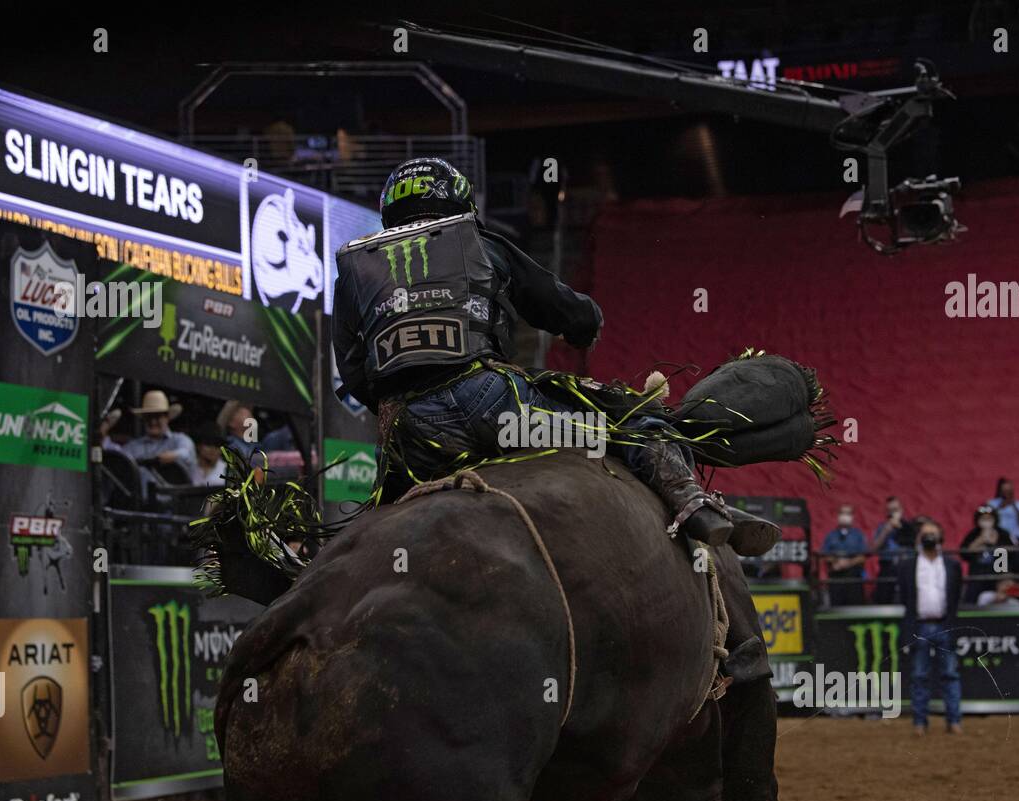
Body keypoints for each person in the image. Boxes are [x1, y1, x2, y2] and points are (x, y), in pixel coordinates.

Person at [332, 156, 776, 555]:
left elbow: (352, 371)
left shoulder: (354, 267)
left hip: (411, 437)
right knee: (629, 421)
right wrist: (587, 324)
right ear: (462, 207)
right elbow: (564, 309)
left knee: (373, 532)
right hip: (501, 412)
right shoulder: (481, 243)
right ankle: (693, 503)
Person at [896, 519, 964, 736]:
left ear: (941, 538)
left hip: (945, 624)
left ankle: (954, 721)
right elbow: (905, 598)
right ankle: (919, 722)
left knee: (950, 674)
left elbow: (955, 596)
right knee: (919, 676)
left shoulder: (952, 565)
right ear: (918, 538)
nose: (929, 538)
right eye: (925, 534)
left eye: (933, 533)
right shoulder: (908, 566)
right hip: (919, 626)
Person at [123, 390, 197, 480]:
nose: (153, 422)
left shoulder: (180, 440)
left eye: (157, 417)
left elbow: (186, 453)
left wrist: (173, 456)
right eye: (149, 417)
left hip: (172, 494)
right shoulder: (132, 447)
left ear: (167, 417)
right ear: (144, 419)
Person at [958, 504, 1019, 603]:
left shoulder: (1003, 533)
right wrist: (980, 540)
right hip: (977, 575)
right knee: (971, 598)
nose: (986, 521)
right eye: (983, 518)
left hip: (999, 574)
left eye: (989, 518)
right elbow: (964, 553)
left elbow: (1014, 552)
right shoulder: (973, 534)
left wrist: (995, 543)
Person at [821, 504, 868, 607]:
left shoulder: (858, 535)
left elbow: (863, 556)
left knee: (855, 607)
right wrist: (835, 562)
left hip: (854, 578)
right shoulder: (831, 535)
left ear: (852, 516)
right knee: (836, 608)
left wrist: (848, 563)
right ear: (838, 515)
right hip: (836, 577)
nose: (845, 516)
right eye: (842, 513)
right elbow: (824, 554)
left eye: (848, 513)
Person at [871, 495, 915, 603]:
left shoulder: (910, 527)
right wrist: (886, 530)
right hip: (887, 567)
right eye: (890, 510)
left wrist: (901, 527)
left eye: (895, 509)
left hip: (907, 567)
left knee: (908, 599)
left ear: (901, 510)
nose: (893, 513)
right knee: (884, 599)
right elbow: (873, 549)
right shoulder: (882, 528)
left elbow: (915, 544)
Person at [988, 477, 1019, 545]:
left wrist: (1014, 506)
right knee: (1001, 555)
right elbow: (985, 519)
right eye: (1004, 491)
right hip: (998, 540)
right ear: (1000, 491)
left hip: (1016, 539)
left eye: (1009, 490)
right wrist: (1001, 506)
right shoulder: (992, 504)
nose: (1006, 493)